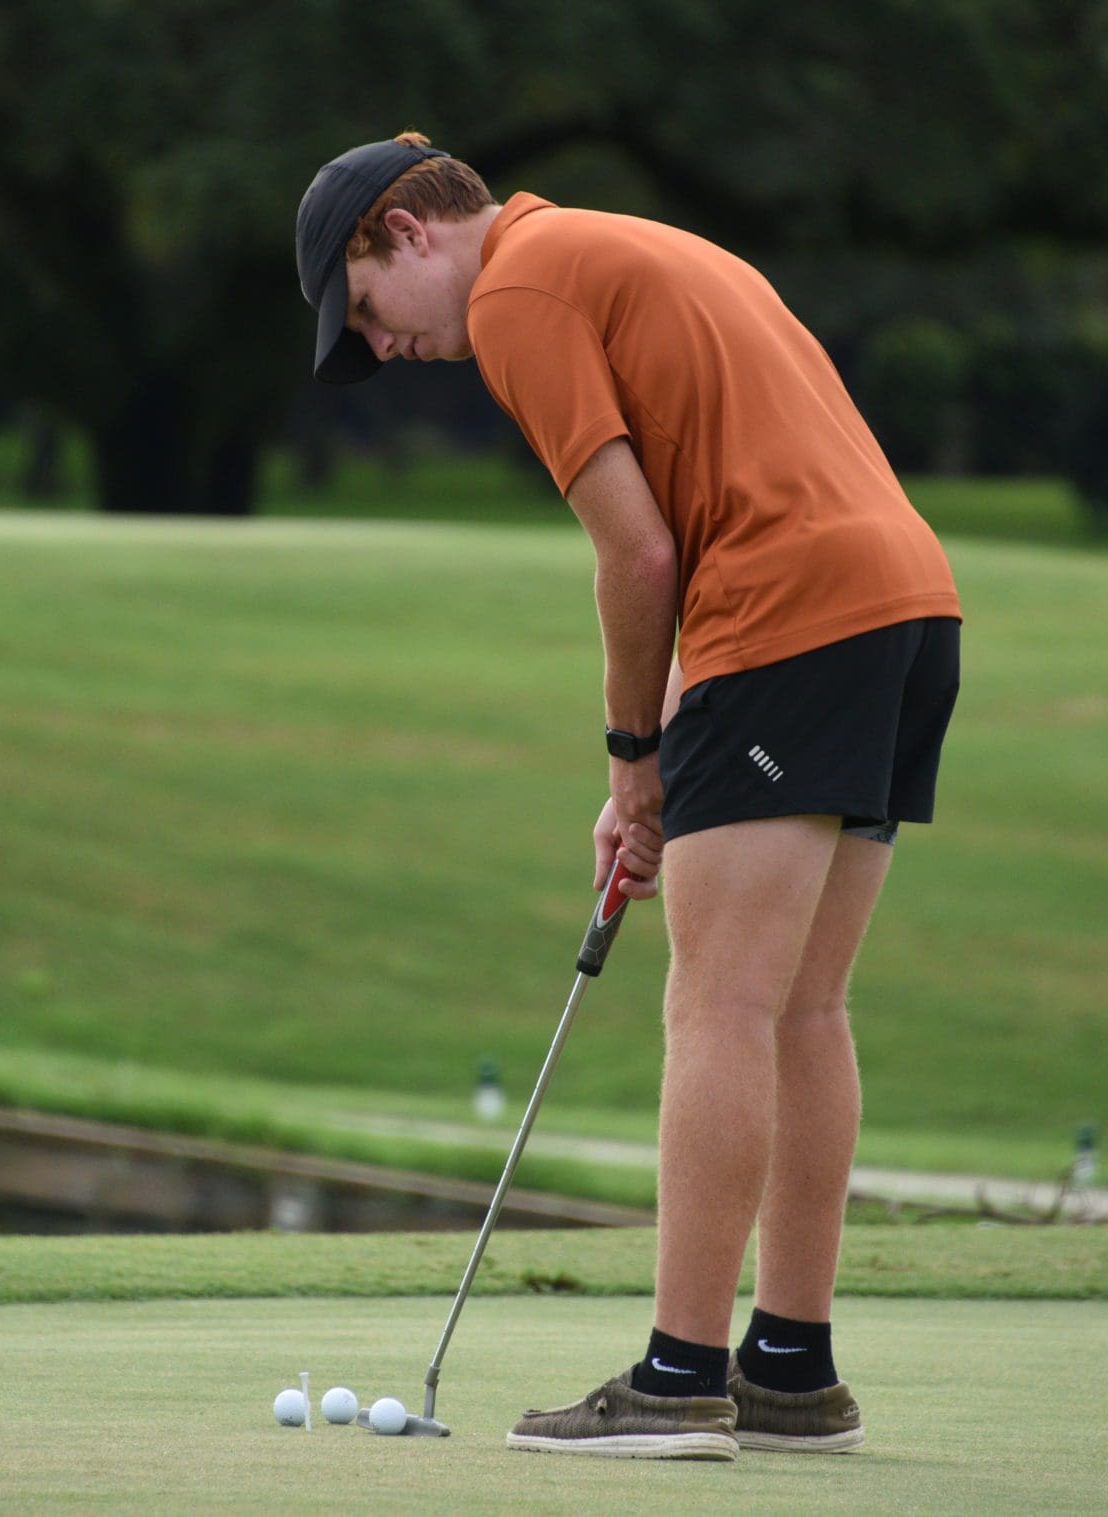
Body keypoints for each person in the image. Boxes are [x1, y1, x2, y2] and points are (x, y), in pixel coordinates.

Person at [294, 133, 961, 1462]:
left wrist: (631, 754)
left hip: (784, 617)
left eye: (365, 309)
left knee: (719, 1001)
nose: (378, 347)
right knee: (803, 1004)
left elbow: (639, 550)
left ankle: (678, 1374)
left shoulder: (517, 291)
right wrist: (659, 752)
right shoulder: (622, 244)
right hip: (908, 611)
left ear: (407, 233)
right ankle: (789, 1364)